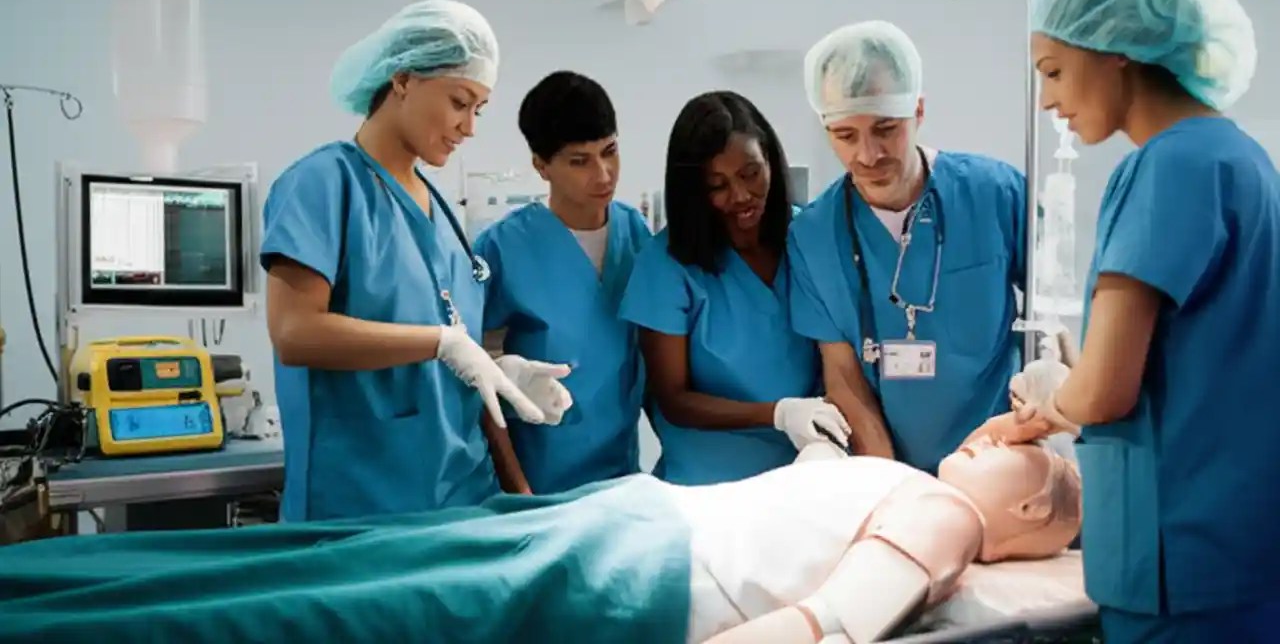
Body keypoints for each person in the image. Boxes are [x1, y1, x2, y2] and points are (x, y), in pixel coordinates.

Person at [0, 416, 1082, 644]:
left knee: (327, 597)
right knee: (328, 582)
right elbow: (809, 505)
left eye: (1009, 448)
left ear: (1029, 505)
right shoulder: (908, 477)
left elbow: (834, 627)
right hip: (620, 533)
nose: (991, 432)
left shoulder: (944, 512)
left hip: (630, 563)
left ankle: (44, 600)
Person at [1005, 0, 1280, 643]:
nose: (1048, 100)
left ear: (1117, 51)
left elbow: (1105, 395)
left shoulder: (1164, 168)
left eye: (1054, 71)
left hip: (1176, 567)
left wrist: (1052, 402)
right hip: (1243, 553)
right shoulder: (1242, 159)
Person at [259, 0, 569, 522]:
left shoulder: (442, 213)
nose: (469, 126)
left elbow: (439, 354)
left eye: (479, 109)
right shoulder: (323, 184)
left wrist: (494, 374)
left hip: (464, 505)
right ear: (402, 79)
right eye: (459, 101)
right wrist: (442, 343)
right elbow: (294, 332)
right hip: (359, 512)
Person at [787, 21, 1028, 475]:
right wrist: (893, 487)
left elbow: (1049, 316)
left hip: (1003, 461)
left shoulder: (995, 194)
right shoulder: (814, 236)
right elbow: (842, 374)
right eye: (846, 135)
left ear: (918, 111)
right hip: (893, 468)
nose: (869, 154)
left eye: (886, 128)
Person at [619, 91, 844, 485]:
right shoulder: (667, 266)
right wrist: (778, 413)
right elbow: (673, 400)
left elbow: (842, 358)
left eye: (751, 173)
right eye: (717, 185)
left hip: (807, 470)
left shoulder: (808, 240)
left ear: (772, 161)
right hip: (709, 486)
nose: (741, 196)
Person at [474, 70, 651, 495]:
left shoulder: (636, 234)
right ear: (541, 166)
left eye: (610, 152)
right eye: (579, 161)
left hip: (620, 476)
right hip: (538, 478)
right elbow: (478, 381)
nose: (604, 174)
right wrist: (519, 492)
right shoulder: (503, 248)